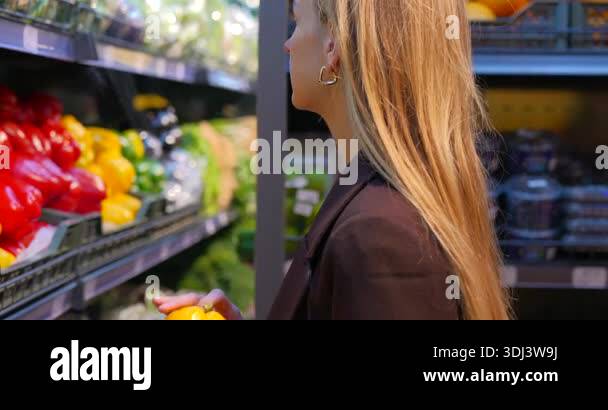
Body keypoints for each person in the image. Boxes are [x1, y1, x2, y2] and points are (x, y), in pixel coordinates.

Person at [154, 0, 511, 320]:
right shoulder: (380, 198)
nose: (287, 43)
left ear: (332, 47)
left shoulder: (378, 234)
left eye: (297, 23)